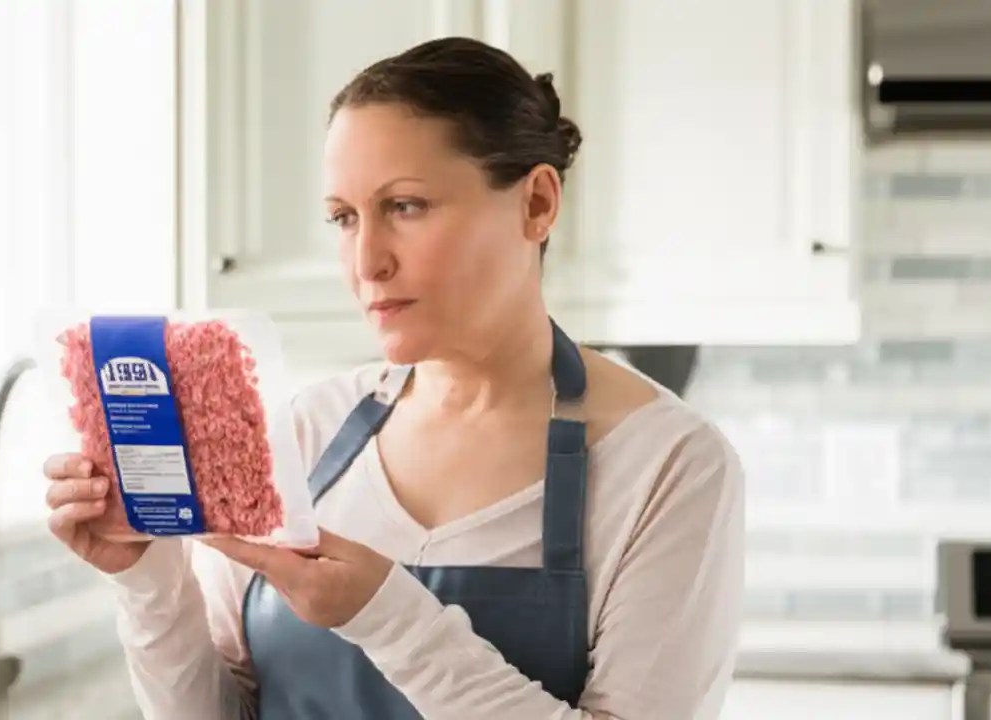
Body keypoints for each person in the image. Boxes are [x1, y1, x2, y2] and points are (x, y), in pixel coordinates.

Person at [43, 36, 745, 720]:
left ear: (536, 203)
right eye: (344, 218)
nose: (366, 262)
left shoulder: (666, 465)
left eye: (405, 206)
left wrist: (388, 616)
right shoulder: (304, 433)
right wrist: (148, 580)